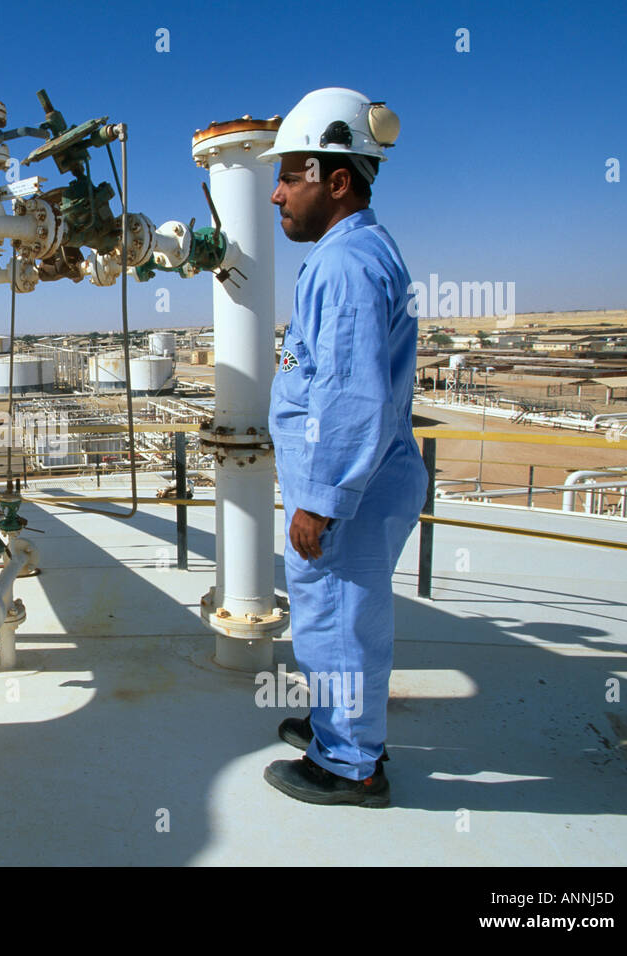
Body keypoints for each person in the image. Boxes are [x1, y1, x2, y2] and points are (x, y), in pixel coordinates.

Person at [259, 88, 427, 807]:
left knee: (340, 620)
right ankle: (339, 724)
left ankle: (351, 764)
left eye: (287, 178)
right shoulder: (356, 251)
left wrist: (321, 501)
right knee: (336, 617)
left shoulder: (346, 265)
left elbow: (352, 397)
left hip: (347, 490)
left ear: (335, 182)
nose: (275, 195)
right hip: (360, 480)